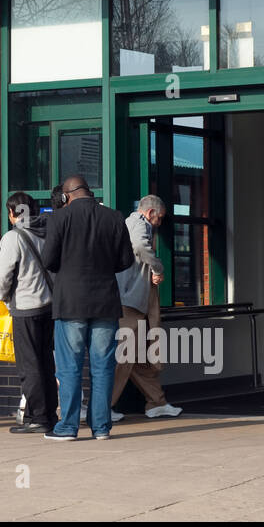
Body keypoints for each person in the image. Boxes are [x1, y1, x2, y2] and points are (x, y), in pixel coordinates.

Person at [40, 176, 134, 441]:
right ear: (89, 193)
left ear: (66, 196)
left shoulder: (58, 218)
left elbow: (48, 260)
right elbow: (126, 260)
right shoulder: (115, 217)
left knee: (69, 367)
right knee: (103, 367)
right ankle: (101, 427)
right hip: (105, 301)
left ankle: (68, 427)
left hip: (70, 302)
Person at [111, 195, 182, 420]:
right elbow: (141, 246)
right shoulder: (138, 224)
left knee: (139, 357)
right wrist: (158, 267)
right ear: (151, 213)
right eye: (159, 218)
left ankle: (156, 402)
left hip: (132, 300)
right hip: (130, 301)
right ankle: (101, 407)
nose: (160, 223)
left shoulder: (131, 224)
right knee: (125, 357)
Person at [0, 192, 57, 435]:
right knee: (45, 362)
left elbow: (3, 276)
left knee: (29, 366)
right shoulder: (47, 232)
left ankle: (37, 418)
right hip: (49, 306)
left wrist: (5, 297)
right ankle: (48, 414)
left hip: (25, 308)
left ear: (12, 213)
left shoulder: (13, 237)